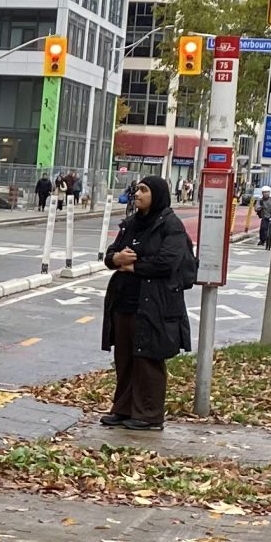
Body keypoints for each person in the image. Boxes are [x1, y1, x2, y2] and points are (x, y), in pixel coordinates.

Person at [99, 175, 194, 432]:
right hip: (125, 302)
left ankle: (149, 414)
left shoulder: (171, 225)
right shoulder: (131, 223)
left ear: (157, 195)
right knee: (125, 357)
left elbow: (167, 262)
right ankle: (123, 408)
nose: (137, 194)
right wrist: (117, 258)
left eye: (143, 190)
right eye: (137, 190)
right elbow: (109, 255)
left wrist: (133, 266)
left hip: (156, 303)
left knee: (148, 358)